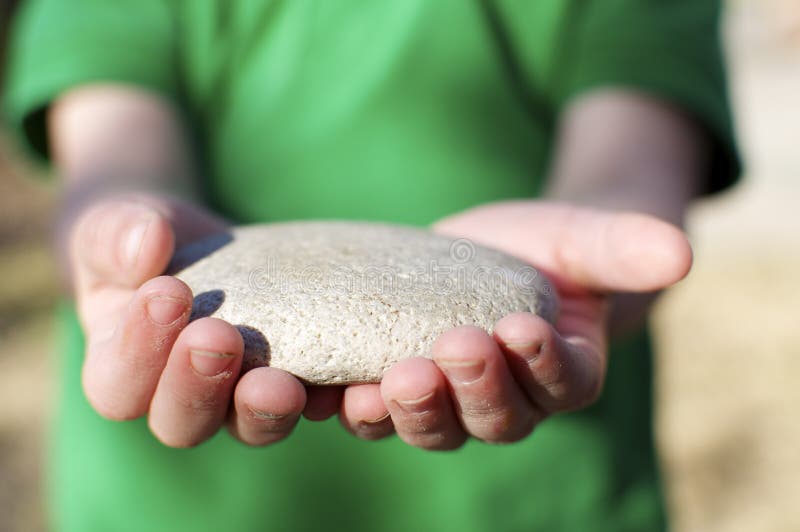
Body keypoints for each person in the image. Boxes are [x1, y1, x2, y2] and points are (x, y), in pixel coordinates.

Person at [2, 1, 739, 530]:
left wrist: (588, 270)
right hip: (165, 509)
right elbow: (113, 160)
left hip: (545, 499)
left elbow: (625, 174)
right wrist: (127, 236)